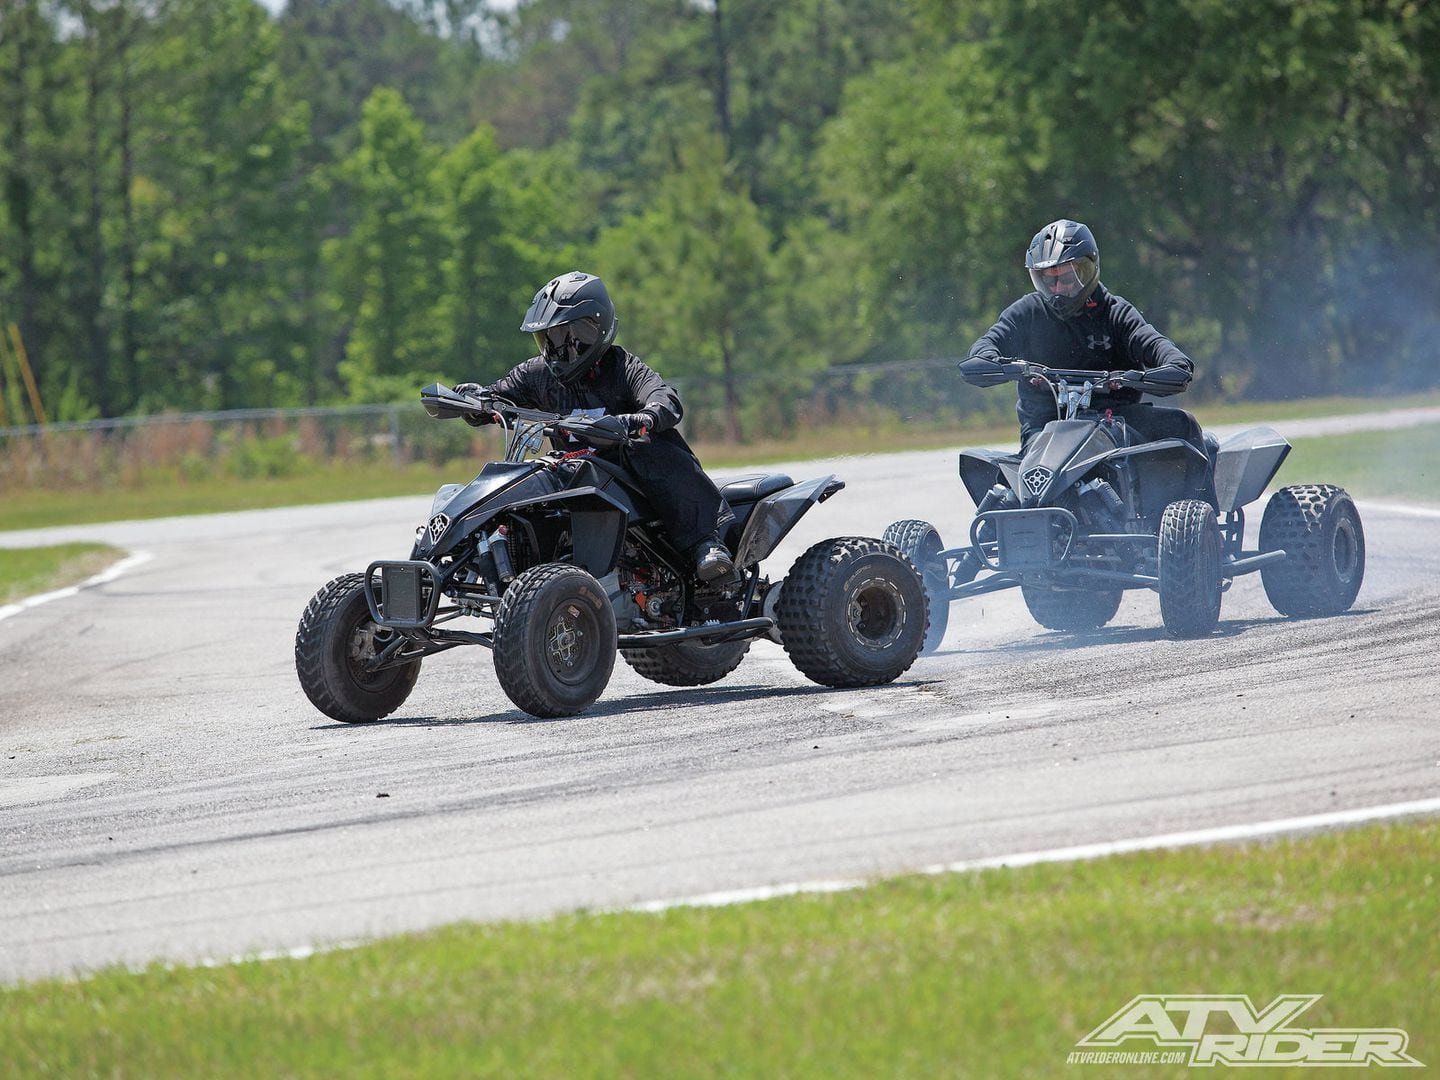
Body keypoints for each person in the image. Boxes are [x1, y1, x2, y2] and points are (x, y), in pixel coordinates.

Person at [453, 271, 737, 583]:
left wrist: (643, 419)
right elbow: (497, 394)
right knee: (518, 478)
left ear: (593, 328)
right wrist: (473, 401)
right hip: (574, 479)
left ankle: (704, 542)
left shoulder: (623, 368)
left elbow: (664, 398)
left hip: (628, 479)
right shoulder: (536, 374)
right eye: (545, 338)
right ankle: (468, 564)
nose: (553, 349)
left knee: (648, 447)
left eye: (562, 336)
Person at [963, 218, 1211, 470]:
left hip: (1117, 421)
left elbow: (1156, 345)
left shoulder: (1116, 313)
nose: (1058, 289)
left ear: (1088, 269)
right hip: (1043, 430)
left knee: (1183, 424)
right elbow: (988, 344)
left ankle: (1200, 507)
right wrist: (988, 360)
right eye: (1048, 280)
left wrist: (1173, 365)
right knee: (996, 479)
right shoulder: (1027, 312)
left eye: (1067, 278)